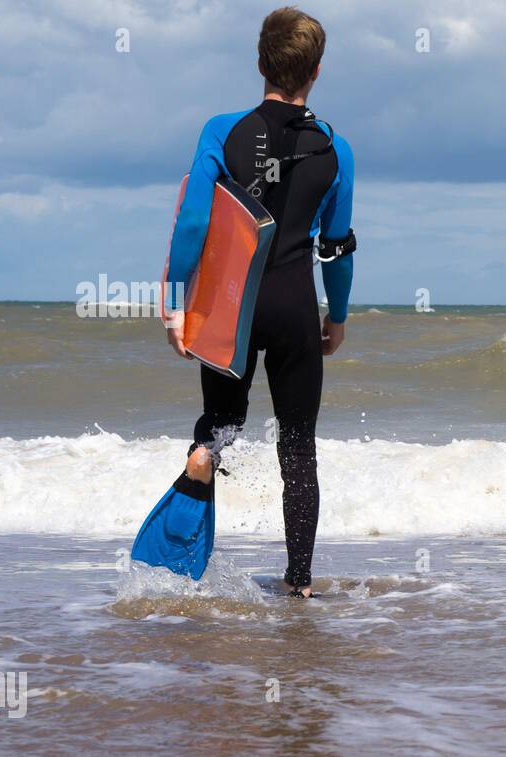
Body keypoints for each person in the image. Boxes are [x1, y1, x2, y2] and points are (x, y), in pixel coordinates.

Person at [161, 7, 355, 597]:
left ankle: (184, 562)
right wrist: (337, 315)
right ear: (316, 71)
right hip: (296, 304)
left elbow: (196, 217)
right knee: (297, 443)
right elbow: (337, 246)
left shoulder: (223, 130)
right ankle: (299, 583)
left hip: (231, 307)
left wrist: (175, 298)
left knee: (218, 428)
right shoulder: (335, 148)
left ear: (260, 62)